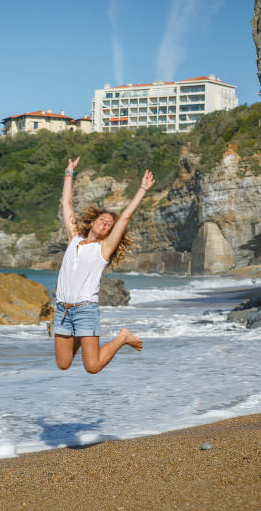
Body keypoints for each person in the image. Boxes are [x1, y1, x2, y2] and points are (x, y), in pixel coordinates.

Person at [54, 156, 155, 374]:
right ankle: (81, 335)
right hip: (62, 310)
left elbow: (125, 218)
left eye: (109, 224)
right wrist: (69, 173)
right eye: (103, 219)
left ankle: (123, 337)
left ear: (110, 232)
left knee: (93, 367)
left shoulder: (103, 249)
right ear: (92, 222)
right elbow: (67, 204)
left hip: (85, 310)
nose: (106, 223)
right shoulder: (74, 238)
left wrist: (142, 190)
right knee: (63, 364)